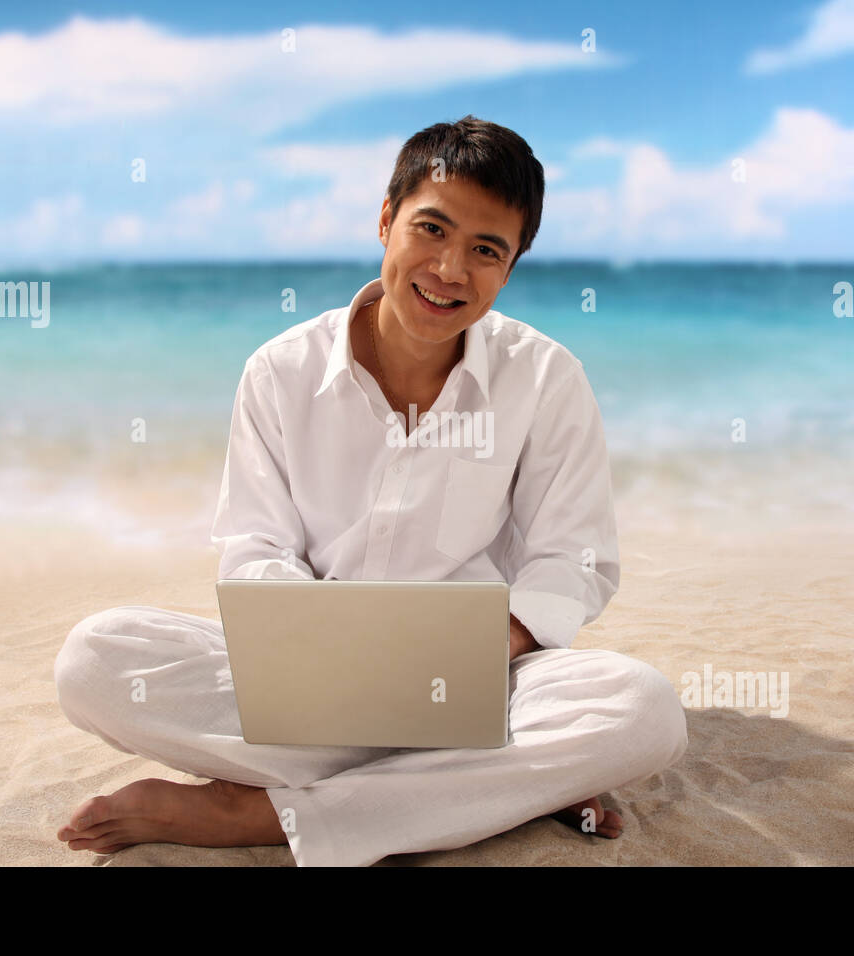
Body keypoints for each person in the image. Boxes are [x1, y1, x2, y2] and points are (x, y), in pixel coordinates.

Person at [54, 115, 688, 866]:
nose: (452, 269)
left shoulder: (547, 379)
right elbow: (258, 549)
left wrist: (481, 651)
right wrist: (325, 659)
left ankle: (254, 816)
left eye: (487, 251)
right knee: (95, 657)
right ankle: (488, 790)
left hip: (485, 678)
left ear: (510, 269)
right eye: (432, 230)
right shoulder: (279, 372)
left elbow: (573, 561)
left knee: (645, 710)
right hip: (312, 678)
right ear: (386, 220)